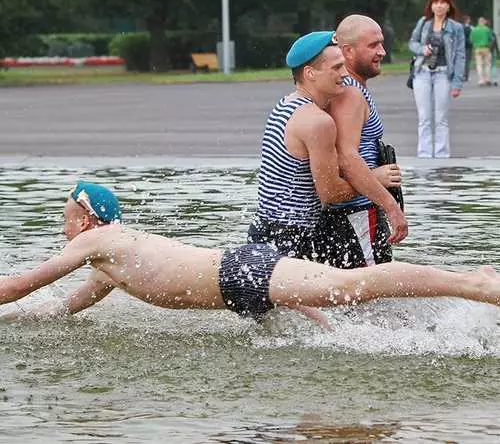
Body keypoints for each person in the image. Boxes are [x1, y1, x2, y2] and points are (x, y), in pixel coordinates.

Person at [1, 182, 500, 329]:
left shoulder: (93, 241)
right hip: (239, 285)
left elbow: (21, 284)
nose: (62, 227)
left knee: (348, 287)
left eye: (65, 217)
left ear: (85, 221)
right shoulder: (108, 266)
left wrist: (13, 301)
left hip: (241, 272)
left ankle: (473, 283)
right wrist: (16, 321)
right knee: (334, 321)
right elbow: (54, 307)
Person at [247, 31, 399, 260]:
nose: (345, 74)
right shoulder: (319, 122)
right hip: (293, 238)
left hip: (263, 230)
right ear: (310, 73)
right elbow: (330, 193)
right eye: (336, 68)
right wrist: (375, 178)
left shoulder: (284, 106)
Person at [316, 14, 407, 269]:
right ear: (347, 51)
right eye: (373, 45)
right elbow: (346, 157)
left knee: (360, 295)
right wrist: (390, 206)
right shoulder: (350, 93)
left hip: (358, 210)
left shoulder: (348, 88)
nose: (382, 51)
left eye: (381, 43)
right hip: (355, 212)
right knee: (373, 294)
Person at [409, 0, 465, 158]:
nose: (439, 6)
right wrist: (422, 49)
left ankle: (442, 155)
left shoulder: (456, 28)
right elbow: (412, 42)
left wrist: (457, 83)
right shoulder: (423, 23)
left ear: (449, 6)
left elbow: (460, 56)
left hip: (443, 74)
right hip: (422, 73)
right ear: (431, 6)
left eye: (443, 3)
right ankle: (424, 155)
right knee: (424, 117)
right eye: (436, 2)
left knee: (441, 117)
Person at [470, 17, 493, 86]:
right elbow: (491, 39)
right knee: (487, 64)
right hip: (486, 48)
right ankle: (488, 79)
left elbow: (471, 40)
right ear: (484, 22)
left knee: (479, 65)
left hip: (477, 49)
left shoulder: (474, 30)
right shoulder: (487, 29)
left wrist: (475, 44)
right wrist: (489, 44)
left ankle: (481, 80)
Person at [462, 14, 473, 82]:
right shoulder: (470, 28)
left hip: (462, 46)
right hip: (468, 47)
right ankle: (466, 76)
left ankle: (463, 75)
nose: (470, 20)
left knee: (463, 61)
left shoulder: (460, 27)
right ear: (467, 20)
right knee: (467, 62)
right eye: (469, 19)